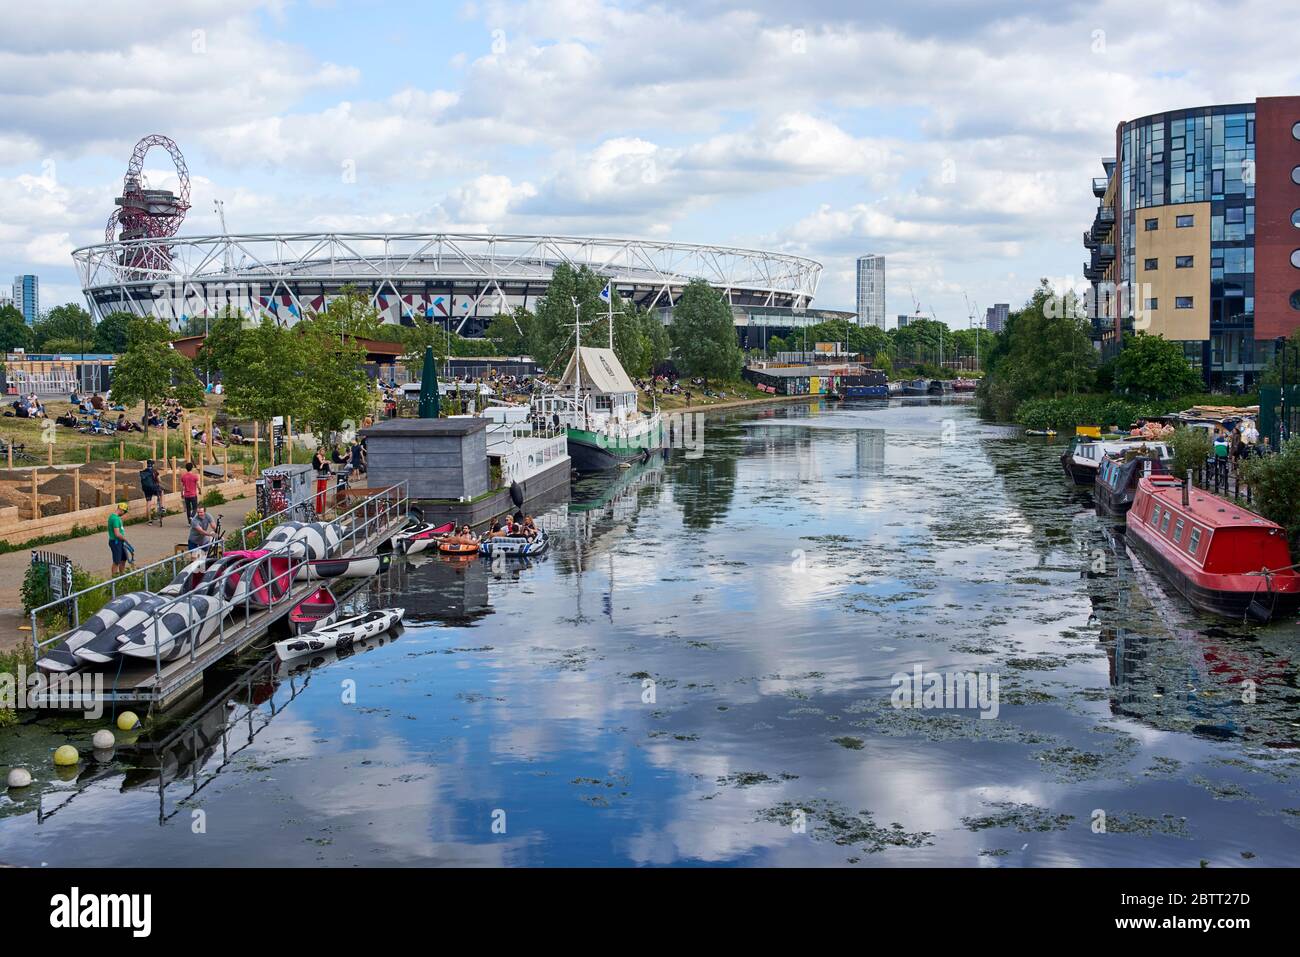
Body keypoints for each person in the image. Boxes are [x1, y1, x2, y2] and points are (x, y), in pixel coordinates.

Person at [108, 501, 131, 576]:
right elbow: (117, 534)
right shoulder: (115, 519)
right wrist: (125, 539)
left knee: (123, 559)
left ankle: (122, 576)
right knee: (116, 561)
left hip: (120, 542)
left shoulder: (114, 517)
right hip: (116, 542)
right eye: (124, 512)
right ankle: (114, 578)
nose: (124, 514)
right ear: (121, 509)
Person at [139, 459, 163, 525]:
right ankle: (162, 506)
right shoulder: (154, 471)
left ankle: (149, 520)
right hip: (154, 488)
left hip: (146, 489)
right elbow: (159, 480)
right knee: (161, 493)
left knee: (148, 503)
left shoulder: (144, 472)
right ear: (152, 465)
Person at [312, 447, 330, 515]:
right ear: (320, 451)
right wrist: (325, 462)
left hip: (320, 468)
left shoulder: (321, 455)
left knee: (325, 464)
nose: (324, 452)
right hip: (317, 467)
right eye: (323, 451)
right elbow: (321, 462)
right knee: (326, 464)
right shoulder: (318, 455)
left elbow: (322, 462)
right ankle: (329, 473)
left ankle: (328, 473)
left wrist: (323, 463)